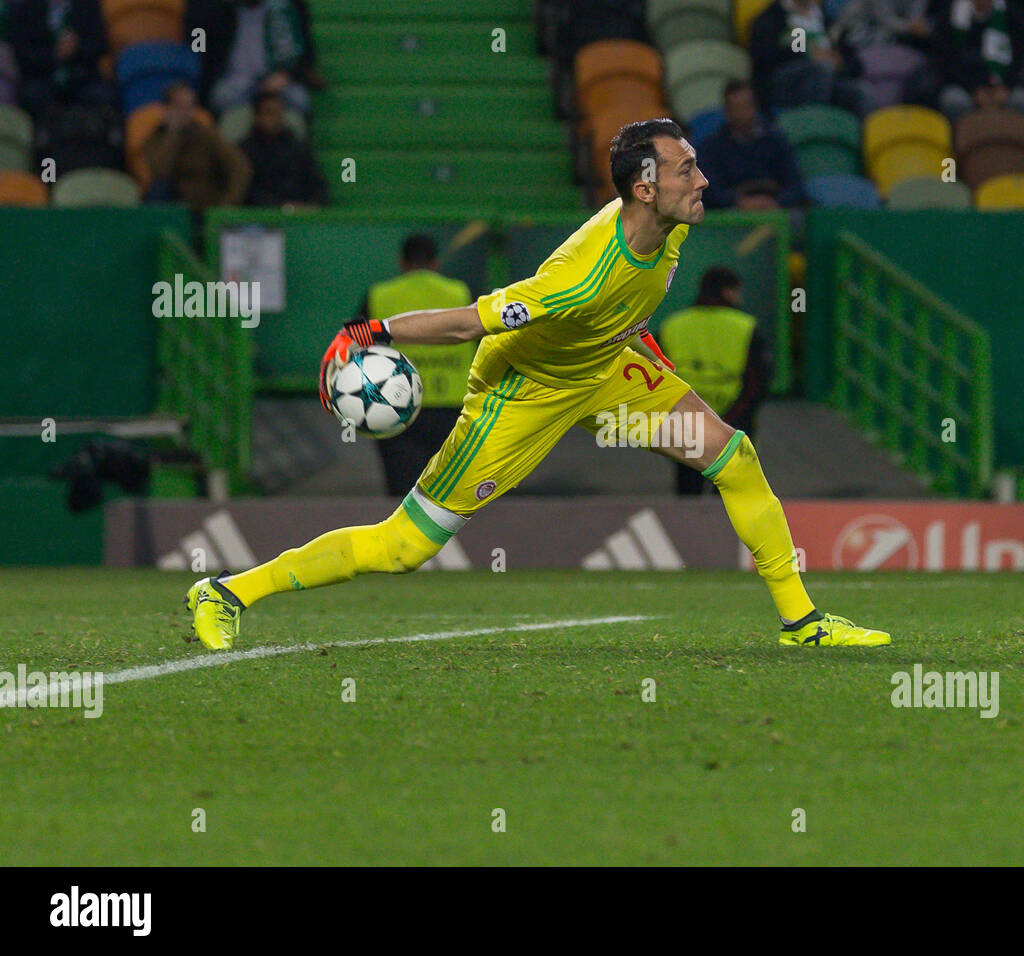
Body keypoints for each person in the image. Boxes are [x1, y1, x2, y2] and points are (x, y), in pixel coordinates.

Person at [187, 118, 890, 650]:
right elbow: (470, 324)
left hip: (608, 368)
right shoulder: (577, 274)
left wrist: (647, 361)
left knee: (733, 456)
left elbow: (631, 305)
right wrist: (369, 333)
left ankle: (801, 621)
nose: (702, 180)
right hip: (523, 389)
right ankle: (227, 591)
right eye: (686, 170)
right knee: (404, 547)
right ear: (646, 188)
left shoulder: (670, 227)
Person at [354, 233, 475, 497]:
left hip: (395, 407)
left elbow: (355, 344)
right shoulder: (461, 292)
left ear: (402, 263)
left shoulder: (379, 295)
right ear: (436, 262)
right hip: (452, 408)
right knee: (448, 496)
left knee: (402, 497)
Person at [658, 268, 772, 495]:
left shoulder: (672, 326)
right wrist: (731, 420)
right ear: (728, 292)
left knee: (687, 495)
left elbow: (655, 377)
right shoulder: (747, 327)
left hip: (686, 423)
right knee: (732, 498)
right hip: (732, 424)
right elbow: (758, 382)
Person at [749, 0, 875, 117]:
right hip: (785, 85)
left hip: (828, 81)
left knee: (862, 92)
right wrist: (807, 54)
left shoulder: (826, 20)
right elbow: (763, 56)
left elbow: (854, 62)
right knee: (821, 68)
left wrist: (841, 62)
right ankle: (815, 124)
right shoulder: (770, 18)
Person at [141, 81, 251, 212]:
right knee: (158, 189)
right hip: (174, 206)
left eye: (189, 107)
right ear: (166, 109)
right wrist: (172, 135)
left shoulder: (207, 136)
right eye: (179, 107)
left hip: (205, 205)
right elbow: (160, 171)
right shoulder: (156, 138)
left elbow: (240, 167)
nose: (184, 113)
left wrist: (228, 204)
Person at [695, 81, 805, 210]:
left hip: (775, 209)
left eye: (746, 106)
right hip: (731, 215)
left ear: (755, 107)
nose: (742, 113)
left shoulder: (776, 141)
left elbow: (795, 184)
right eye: (736, 108)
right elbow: (710, 190)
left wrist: (775, 202)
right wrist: (738, 202)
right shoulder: (712, 147)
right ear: (726, 111)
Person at [935, 0, 1024, 121]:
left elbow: (1020, 56)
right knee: (953, 101)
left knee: (1022, 101)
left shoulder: (1011, 13)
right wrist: (974, 89)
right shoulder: (951, 15)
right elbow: (947, 61)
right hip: (965, 85)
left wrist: (1006, 86)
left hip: (1004, 85)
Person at [239, 90, 327, 207]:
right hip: (261, 217)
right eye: (269, 113)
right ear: (257, 116)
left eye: (278, 113)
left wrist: (312, 204)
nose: (275, 118)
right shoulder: (245, 151)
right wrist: (280, 205)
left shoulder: (297, 147)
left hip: (299, 215)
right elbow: (247, 192)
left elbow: (317, 184)